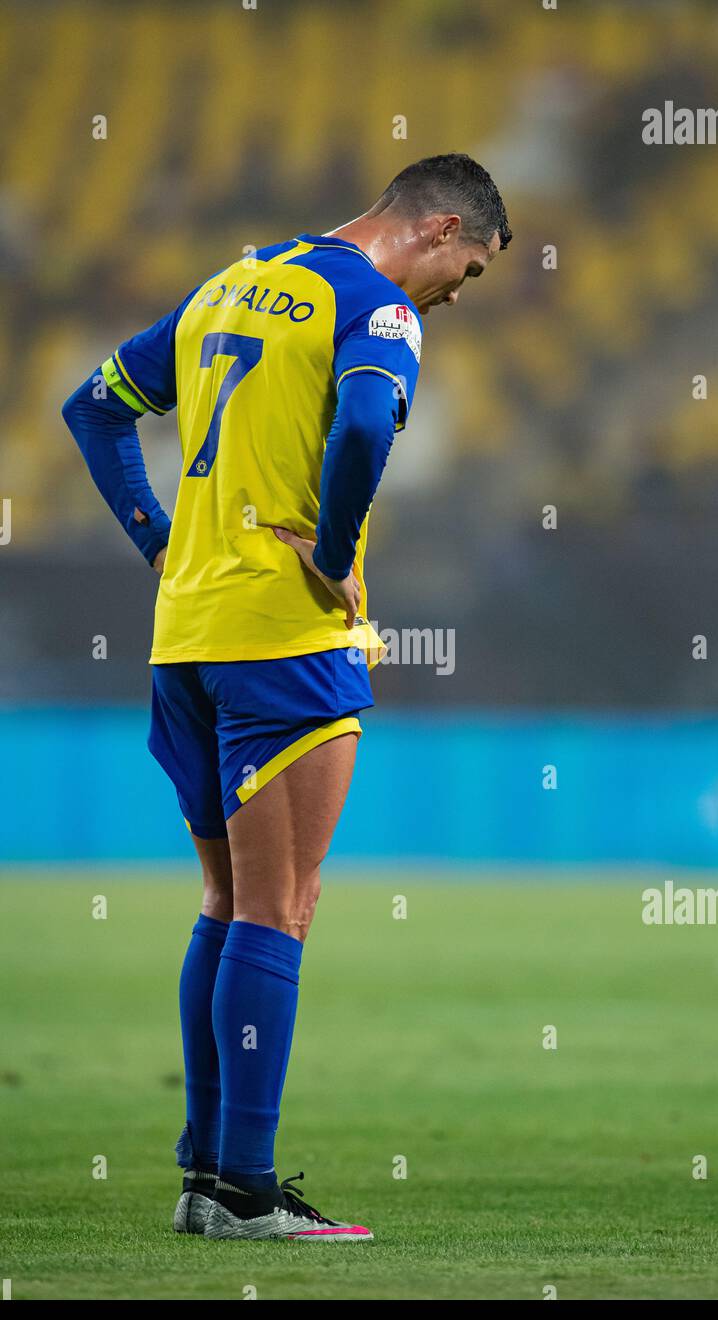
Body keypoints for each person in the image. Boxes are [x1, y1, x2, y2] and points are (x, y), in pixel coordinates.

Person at [63, 153, 511, 1239]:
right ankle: (241, 1190)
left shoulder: (234, 280)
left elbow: (93, 409)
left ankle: (204, 1177)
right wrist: (337, 544)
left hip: (188, 635)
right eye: (470, 267)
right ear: (441, 225)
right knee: (281, 910)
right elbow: (361, 430)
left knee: (226, 904)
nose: (458, 290)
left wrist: (160, 542)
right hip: (284, 634)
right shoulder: (380, 311)